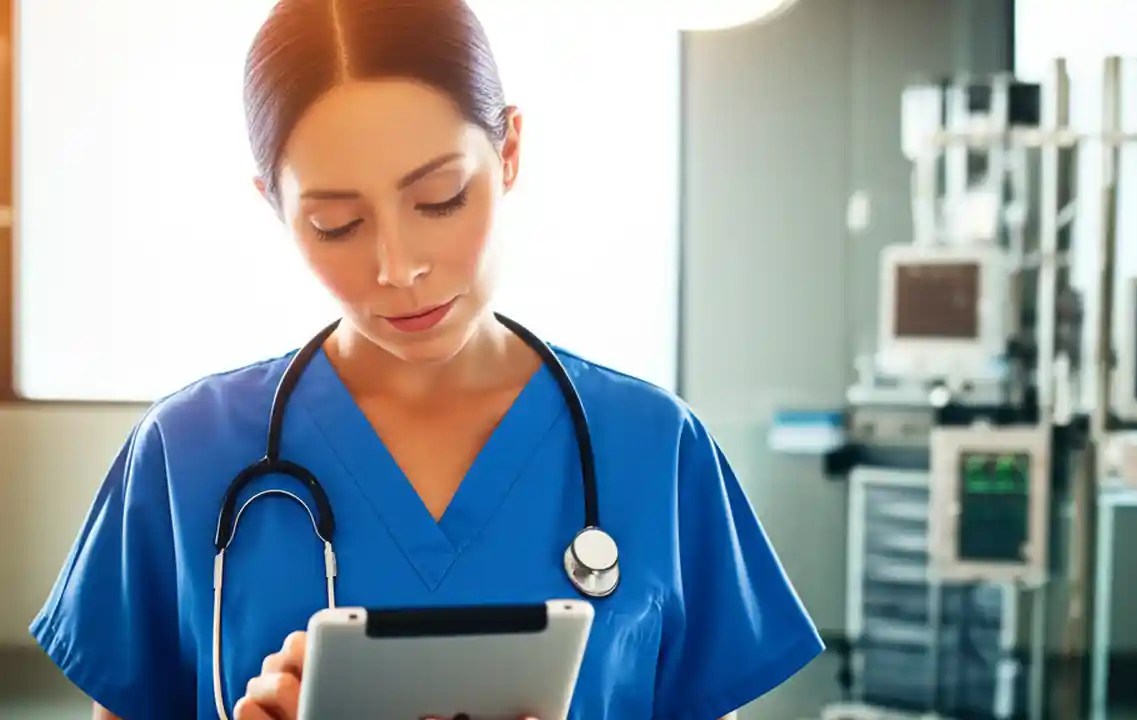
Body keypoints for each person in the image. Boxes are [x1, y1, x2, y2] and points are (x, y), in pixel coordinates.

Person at [29, 1, 824, 718]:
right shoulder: (183, 456)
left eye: (440, 199)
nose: (397, 267)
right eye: (338, 223)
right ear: (274, 206)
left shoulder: (657, 450)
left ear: (509, 152)